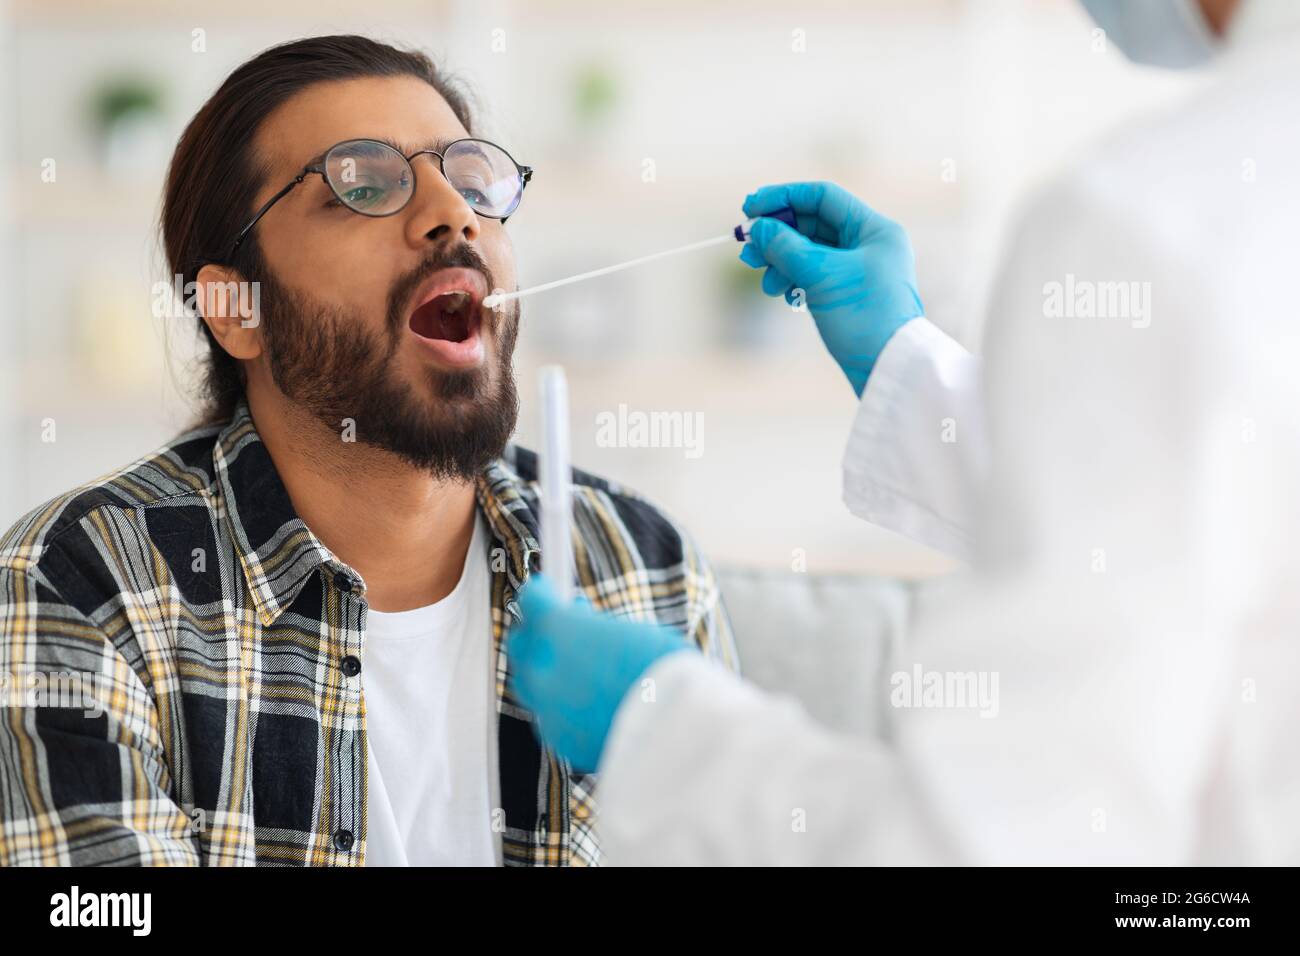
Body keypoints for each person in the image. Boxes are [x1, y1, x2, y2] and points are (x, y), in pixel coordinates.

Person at [507, 0, 1300, 864]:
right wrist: (899, 357)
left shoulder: (1145, 221)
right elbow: (1195, 526)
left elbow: (1000, 846)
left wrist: (659, 727)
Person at [0, 35, 737, 867]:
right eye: (360, 185)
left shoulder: (647, 570)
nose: (452, 213)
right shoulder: (79, 590)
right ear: (236, 308)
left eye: (471, 181)